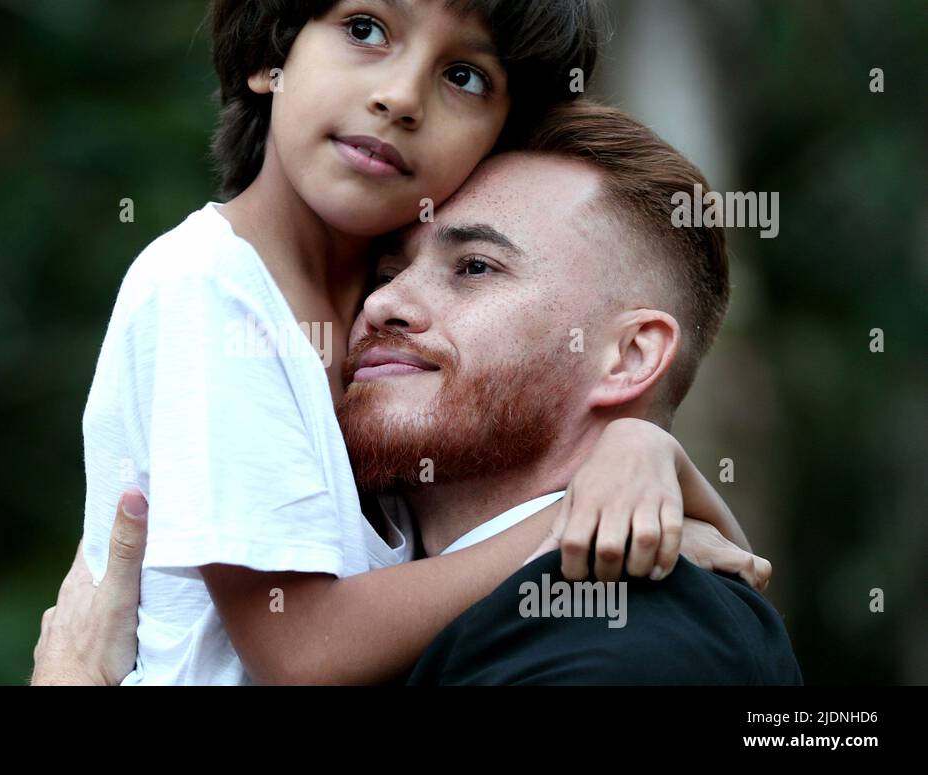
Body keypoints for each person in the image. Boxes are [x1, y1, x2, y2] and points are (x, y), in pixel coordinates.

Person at [74, 1, 755, 686]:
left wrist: (649, 463)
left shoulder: (361, 321)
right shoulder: (210, 288)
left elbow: (739, 566)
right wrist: (579, 519)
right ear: (267, 56)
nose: (400, 97)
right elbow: (300, 648)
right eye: (365, 29)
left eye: (464, 75)